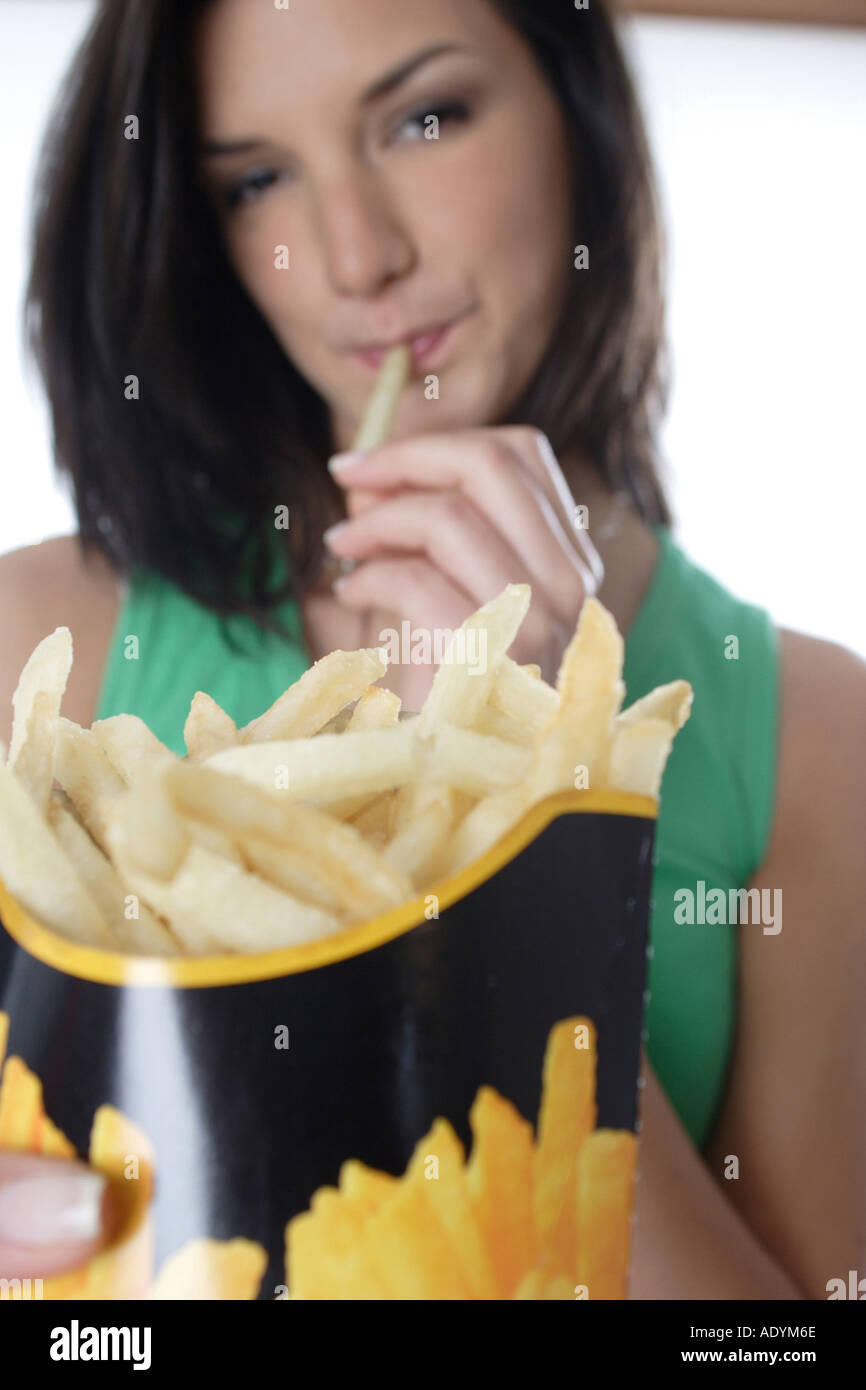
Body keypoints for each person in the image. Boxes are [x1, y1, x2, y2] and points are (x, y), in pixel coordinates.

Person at [0, 0, 862, 1299]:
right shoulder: (32, 646)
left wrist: (516, 827)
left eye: (423, 117)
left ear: (577, 110)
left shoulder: (809, 736)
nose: (355, 257)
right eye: (257, 180)